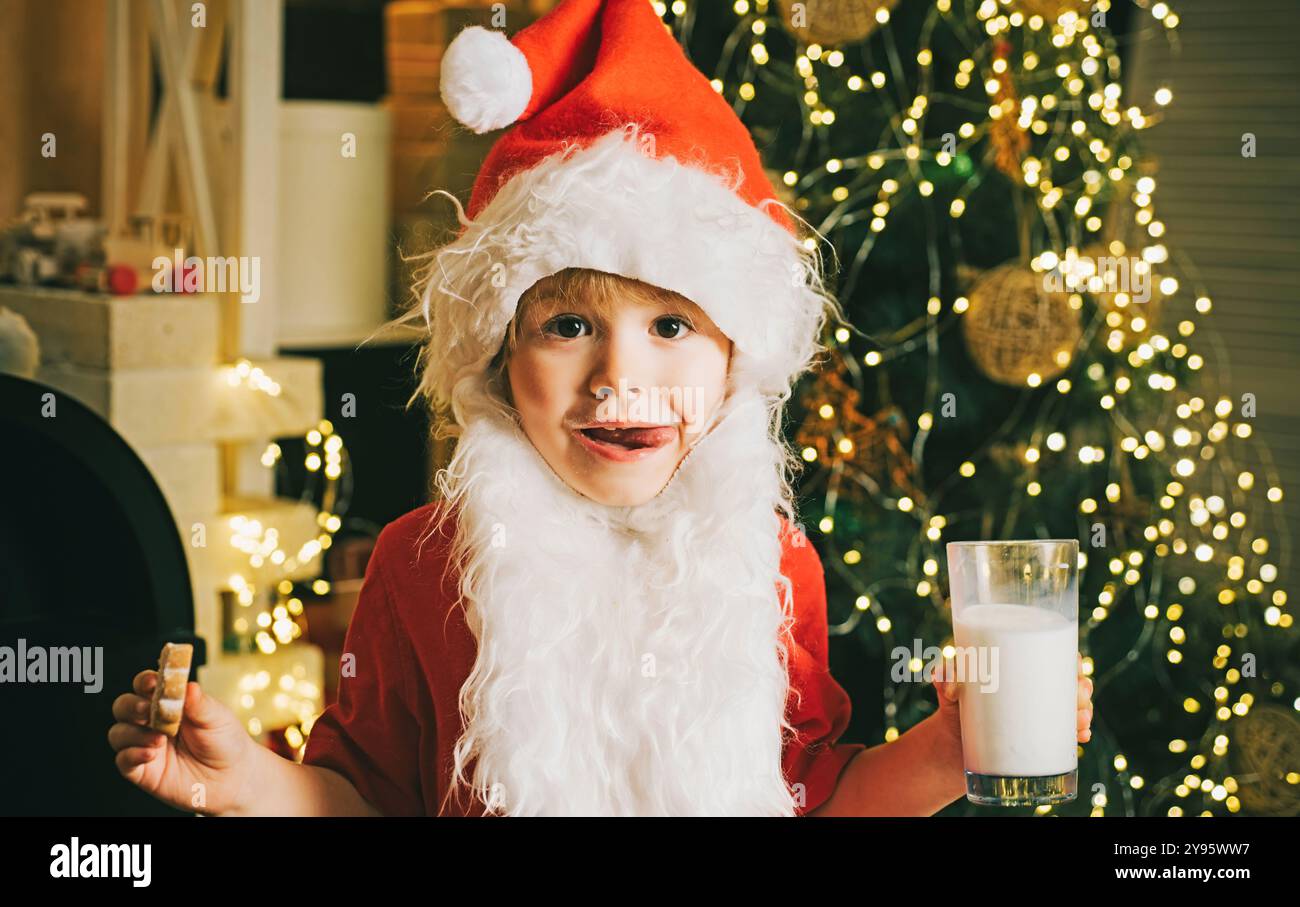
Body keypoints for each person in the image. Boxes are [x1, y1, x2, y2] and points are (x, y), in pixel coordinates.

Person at [108, 0, 1093, 816]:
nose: (618, 379)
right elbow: (364, 794)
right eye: (569, 325)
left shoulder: (769, 557)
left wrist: (947, 747)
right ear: (498, 356)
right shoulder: (419, 565)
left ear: (732, 361)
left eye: (671, 328)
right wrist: (255, 784)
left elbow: (812, 794)